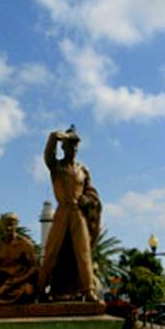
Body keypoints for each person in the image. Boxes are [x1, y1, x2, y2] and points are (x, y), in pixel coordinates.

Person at [37, 127, 101, 301]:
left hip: (77, 213)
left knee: (83, 251)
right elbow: (48, 155)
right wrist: (54, 137)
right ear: (63, 147)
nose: (73, 149)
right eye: (70, 145)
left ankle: (88, 290)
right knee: (51, 251)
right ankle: (40, 288)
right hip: (62, 211)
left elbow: (90, 192)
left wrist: (87, 200)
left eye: (75, 146)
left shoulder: (83, 170)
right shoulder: (56, 167)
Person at [0, 213, 39, 305]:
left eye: (11, 224)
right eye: (6, 225)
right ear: (2, 225)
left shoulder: (25, 244)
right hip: (0, 277)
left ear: (16, 225)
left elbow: (34, 268)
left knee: (27, 291)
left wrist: (19, 280)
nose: (8, 228)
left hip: (18, 279)